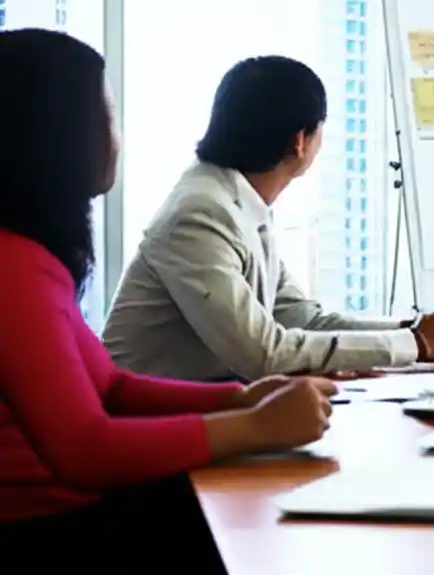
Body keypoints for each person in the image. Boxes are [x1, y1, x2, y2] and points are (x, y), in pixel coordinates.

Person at [0, 29, 334, 566]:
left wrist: (240, 400)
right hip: (44, 531)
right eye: (106, 115)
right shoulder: (13, 268)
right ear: (53, 133)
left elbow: (111, 387)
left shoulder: (31, 256)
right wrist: (255, 426)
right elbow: (85, 450)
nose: (116, 136)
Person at [103, 56, 434, 382]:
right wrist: (415, 343)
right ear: (299, 141)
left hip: (197, 406)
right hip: (143, 418)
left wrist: (410, 329)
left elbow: (305, 319)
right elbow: (264, 354)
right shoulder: (200, 214)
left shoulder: (238, 202)